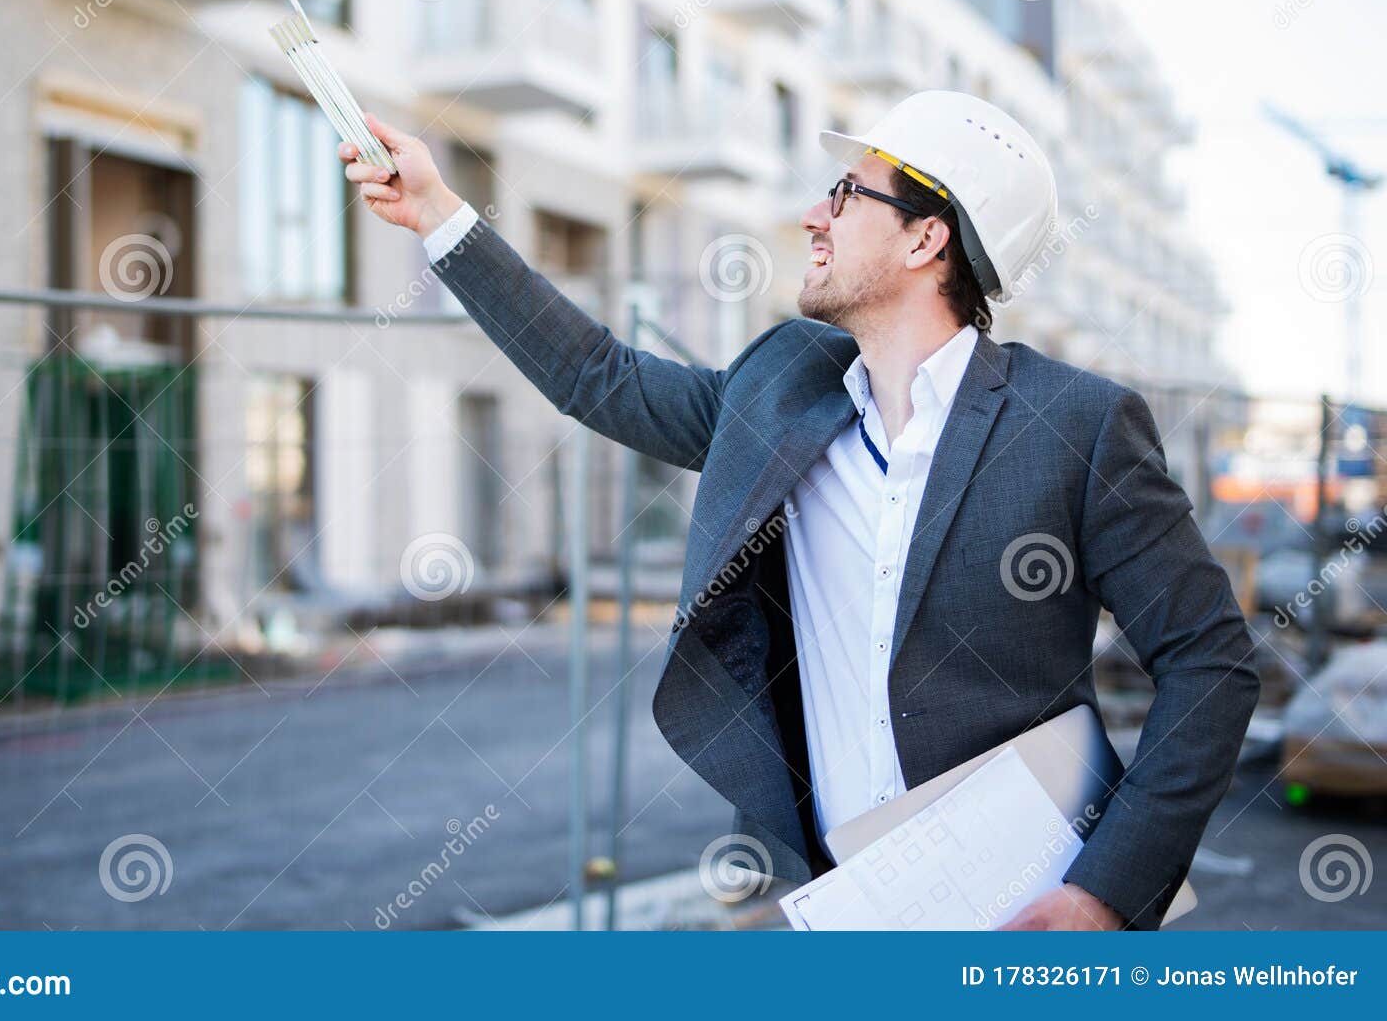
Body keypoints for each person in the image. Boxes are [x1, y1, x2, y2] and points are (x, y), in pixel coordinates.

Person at [339, 91, 1259, 931]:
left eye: (846, 194)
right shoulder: (780, 387)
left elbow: (1211, 662)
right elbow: (598, 377)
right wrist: (437, 215)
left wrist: (1106, 892)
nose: (813, 215)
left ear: (925, 239)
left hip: (1019, 909)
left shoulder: (1076, 426)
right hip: (824, 902)